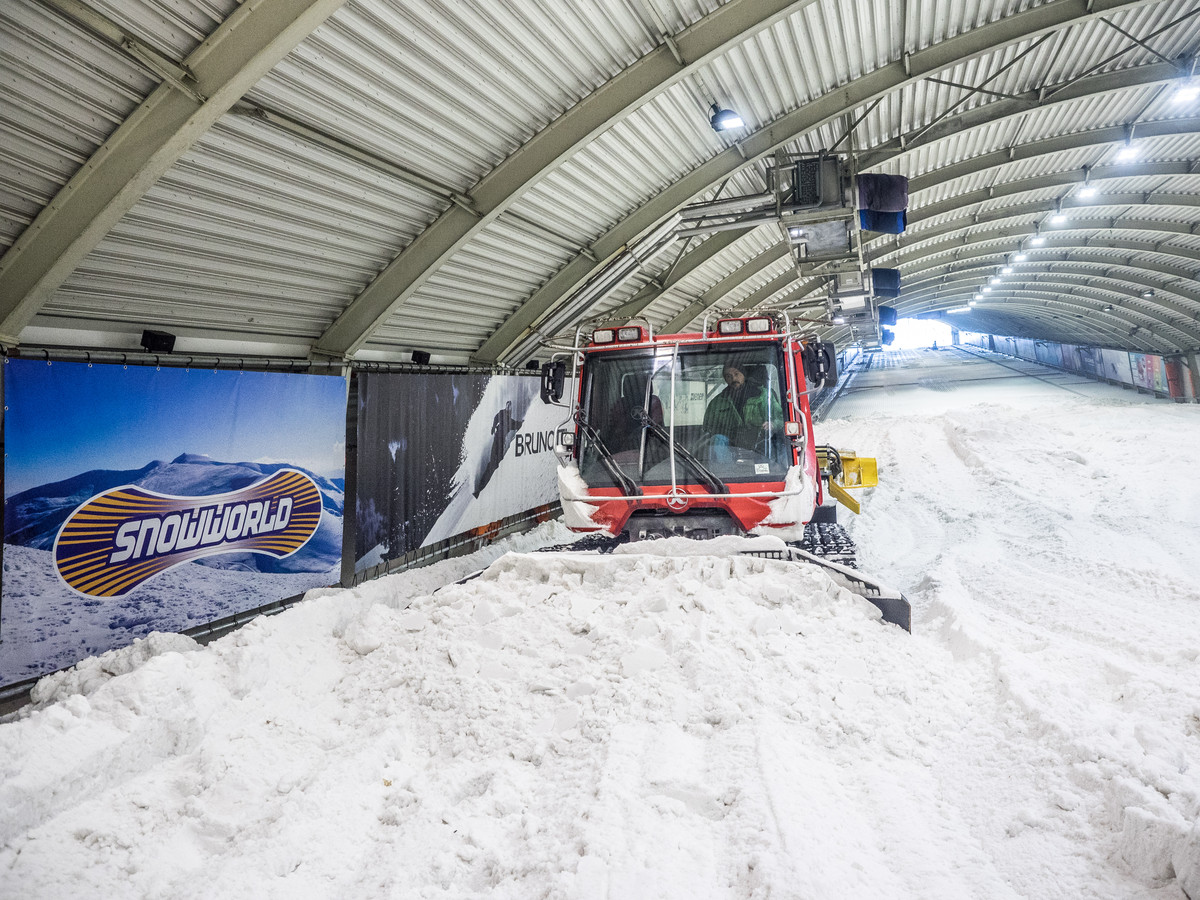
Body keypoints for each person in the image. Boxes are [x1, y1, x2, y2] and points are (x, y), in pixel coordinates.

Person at [703, 362, 783, 460]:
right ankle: (724, 473)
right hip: (731, 444)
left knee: (773, 443)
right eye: (729, 376)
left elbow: (781, 419)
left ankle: (767, 472)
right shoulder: (717, 402)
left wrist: (773, 424)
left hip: (760, 440)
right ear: (725, 379)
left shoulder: (763, 396)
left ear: (743, 375)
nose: (733, 379)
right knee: (718, 440)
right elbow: (708, 428)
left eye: (736, 374)